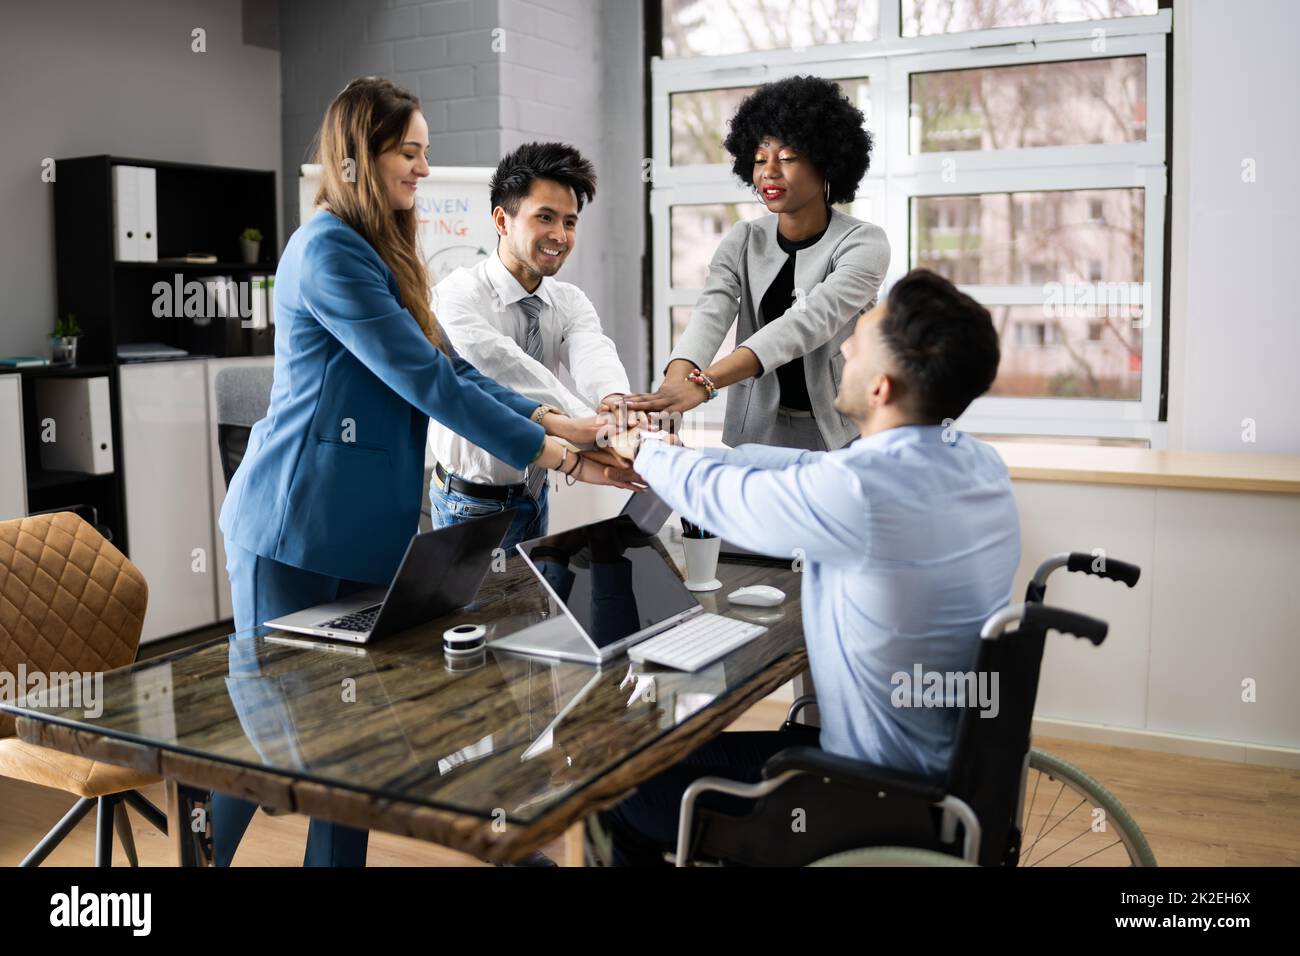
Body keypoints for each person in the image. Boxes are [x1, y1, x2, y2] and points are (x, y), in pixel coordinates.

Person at [215, 77, 627, 867]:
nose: (425, 170)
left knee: (356, 745)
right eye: (411, 152)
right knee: (263, 741)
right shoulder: (328, 250)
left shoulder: (384, 251)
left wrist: (550, 423)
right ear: (357, 156)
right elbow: (425, 383)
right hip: (290, 527)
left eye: (425, 153)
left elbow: (453, 369)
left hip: (365, 535)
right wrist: (568, 456)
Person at [602, 268, 1021, 865]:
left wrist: (643, 449)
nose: (844, 344)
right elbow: (806, 473)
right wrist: (701, 453)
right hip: (943, 771)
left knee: (618, 787)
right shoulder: (978, 467)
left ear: (881, 387)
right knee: (664, 756)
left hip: (861, 794)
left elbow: (739, 503)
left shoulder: (864, 493)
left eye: (860, 339)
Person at [623, 74, 890, 452]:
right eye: (760, 159)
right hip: (761, 431)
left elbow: (807, 322)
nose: (769, 172)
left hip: (843, 431)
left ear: (826, 163)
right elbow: (709, 315)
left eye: (787, 158)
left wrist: (706, 383)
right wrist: (671, 394)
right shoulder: (744, 239)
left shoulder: (863, 242)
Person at [427, 142, 639, 550]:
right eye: (545, 217)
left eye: (570, 222)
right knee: (480, 616)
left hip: (536, 493)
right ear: (502, 220)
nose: (560, 236)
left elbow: (593, 352)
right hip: (471, 505)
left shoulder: (568, 300)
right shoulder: (456, 296)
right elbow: (509, 373)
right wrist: (598, 433)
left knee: (534, 614)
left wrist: (618, 409)